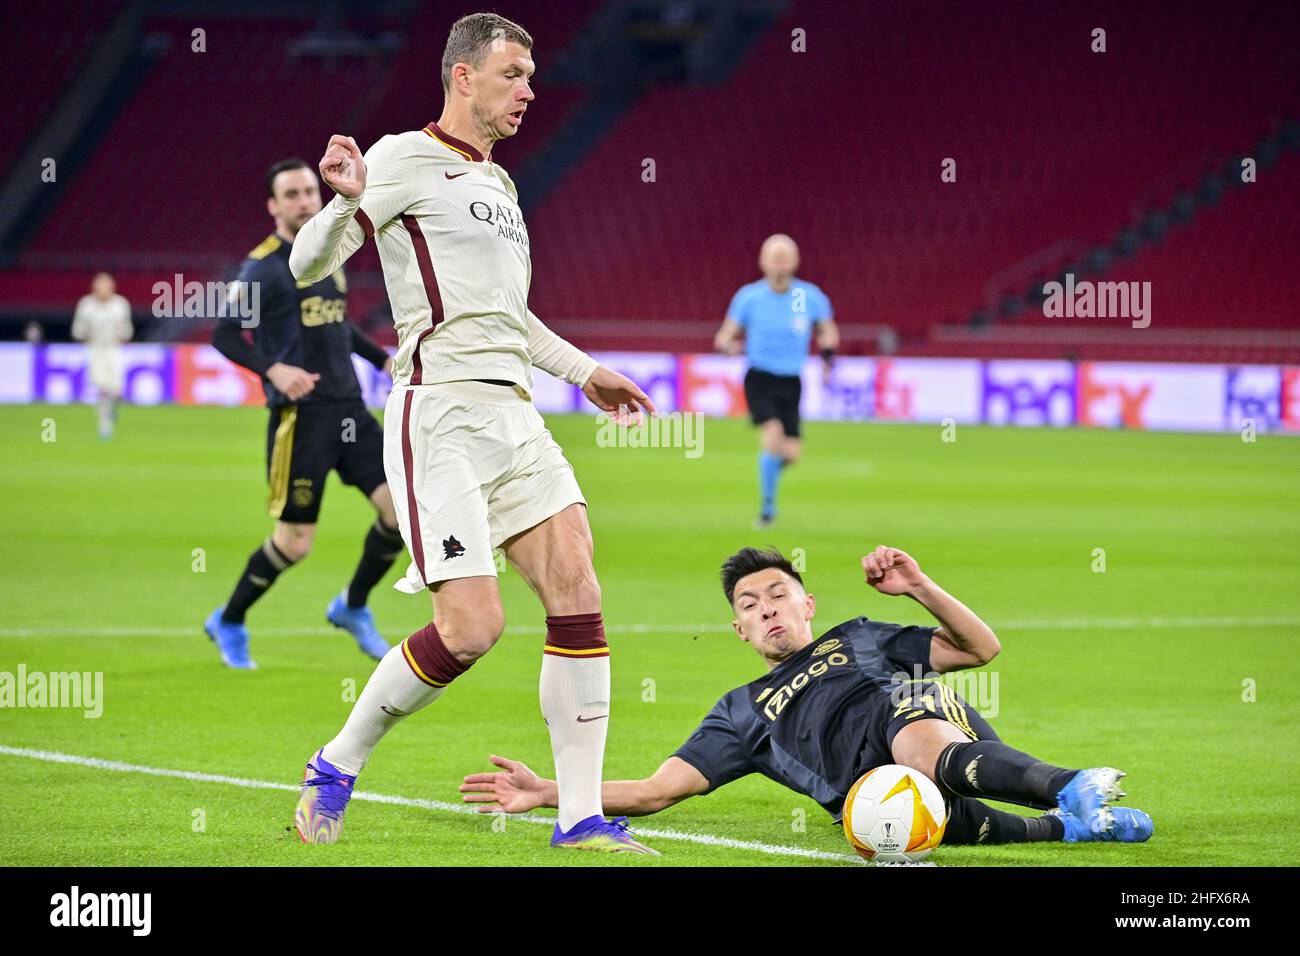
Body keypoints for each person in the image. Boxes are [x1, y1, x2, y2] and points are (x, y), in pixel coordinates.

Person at [286, 12, 659, 853]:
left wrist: (584, 370)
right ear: (463, 76)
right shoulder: (398, 156)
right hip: (439, 413)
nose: (530, 90)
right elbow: (309, 265)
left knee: (579, 588)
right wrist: (344, 204)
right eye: (514, 74)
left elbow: (510, 316)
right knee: (472, 628)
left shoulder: (499, 184)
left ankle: (578, 817)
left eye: (530, 76)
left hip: (516, 415)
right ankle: (337, 763)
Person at [460, 546, 1154, 851]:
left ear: (807, 604)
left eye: (778, 595)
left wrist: (919, 586)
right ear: (737, 629)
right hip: (874, 791)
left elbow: (979, 650)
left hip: (920, 721)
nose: (766, 609)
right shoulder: (738, 712)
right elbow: (654, 792)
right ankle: (1077, 826)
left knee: (914, 740)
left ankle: (1073, 783)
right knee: (929, 828)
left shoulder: (860, 637)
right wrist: (551, 791)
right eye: (749, 604)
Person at [205, 158, 401, 669]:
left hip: (350, 412)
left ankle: (352, 607)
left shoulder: (326, 252)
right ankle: (228, 618)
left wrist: (383, 359)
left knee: (400, 515)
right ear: (273, 206)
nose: (304, 200)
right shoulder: (262, 269)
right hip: (301, 419)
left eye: (309, 191)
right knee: (295, 544)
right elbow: (225, 334)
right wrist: (272, 369)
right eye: (290, 194)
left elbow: (338, 325)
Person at [714, 235, 838, 528]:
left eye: (785, 257)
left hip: (791, 381)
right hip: (759, 377)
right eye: (775, 257)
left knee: (791, 453)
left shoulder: (810, 297)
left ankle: (768, 470)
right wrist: (728, 347)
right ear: (763, 261)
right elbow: (723, 336)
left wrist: (827, 359)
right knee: (772, 436)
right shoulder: (749, 297)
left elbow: (828, 331)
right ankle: (768, 510)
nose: (780, 263)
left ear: (795, 261)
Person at [71, 272, 133, 439]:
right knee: (102, 388)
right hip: (95, 350)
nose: (103, 290)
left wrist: (122, 335)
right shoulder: (86, 305)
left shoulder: (121, 304)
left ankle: (111, 407)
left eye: (106, 286)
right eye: (100, 286)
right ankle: (104, 425)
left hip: (114, 349)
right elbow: (77, 330)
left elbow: (127, 330)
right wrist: (87, 335)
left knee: (116, 389)